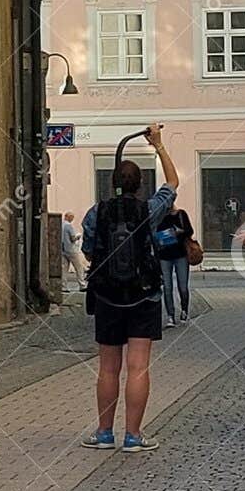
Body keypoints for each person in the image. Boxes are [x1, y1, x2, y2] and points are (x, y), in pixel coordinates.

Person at [79, 124, 179, 453]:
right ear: (139, 185)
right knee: (138, 366)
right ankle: (133, 436)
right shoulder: (149, 209)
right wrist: (159, 145)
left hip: (108, 296)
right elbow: (173, 183)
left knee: (108, 367)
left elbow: (90, 251)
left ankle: (104, 432)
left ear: (112, 183)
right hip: (143, 294)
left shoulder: (97, 212)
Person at [153, 199, 195, 326]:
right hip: (165, 256)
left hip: (181, 255)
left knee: (183, 286)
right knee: (167, 287)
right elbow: (155, 236)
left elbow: (189, 231)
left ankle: (184, 310)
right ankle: (170, 315)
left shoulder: (181, 214)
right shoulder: (159, 218)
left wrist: (178, 232)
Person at [60, 211, 88, 290]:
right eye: (71, 217)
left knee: (64, 269)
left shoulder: (61, 225)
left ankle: (63, 286)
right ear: (68, 217)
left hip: (63, 249)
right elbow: (72, 238)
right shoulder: (69, 226)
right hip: (71, 249)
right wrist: (78, 236)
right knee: (79, 267)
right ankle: (82, 285)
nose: (72, 219)